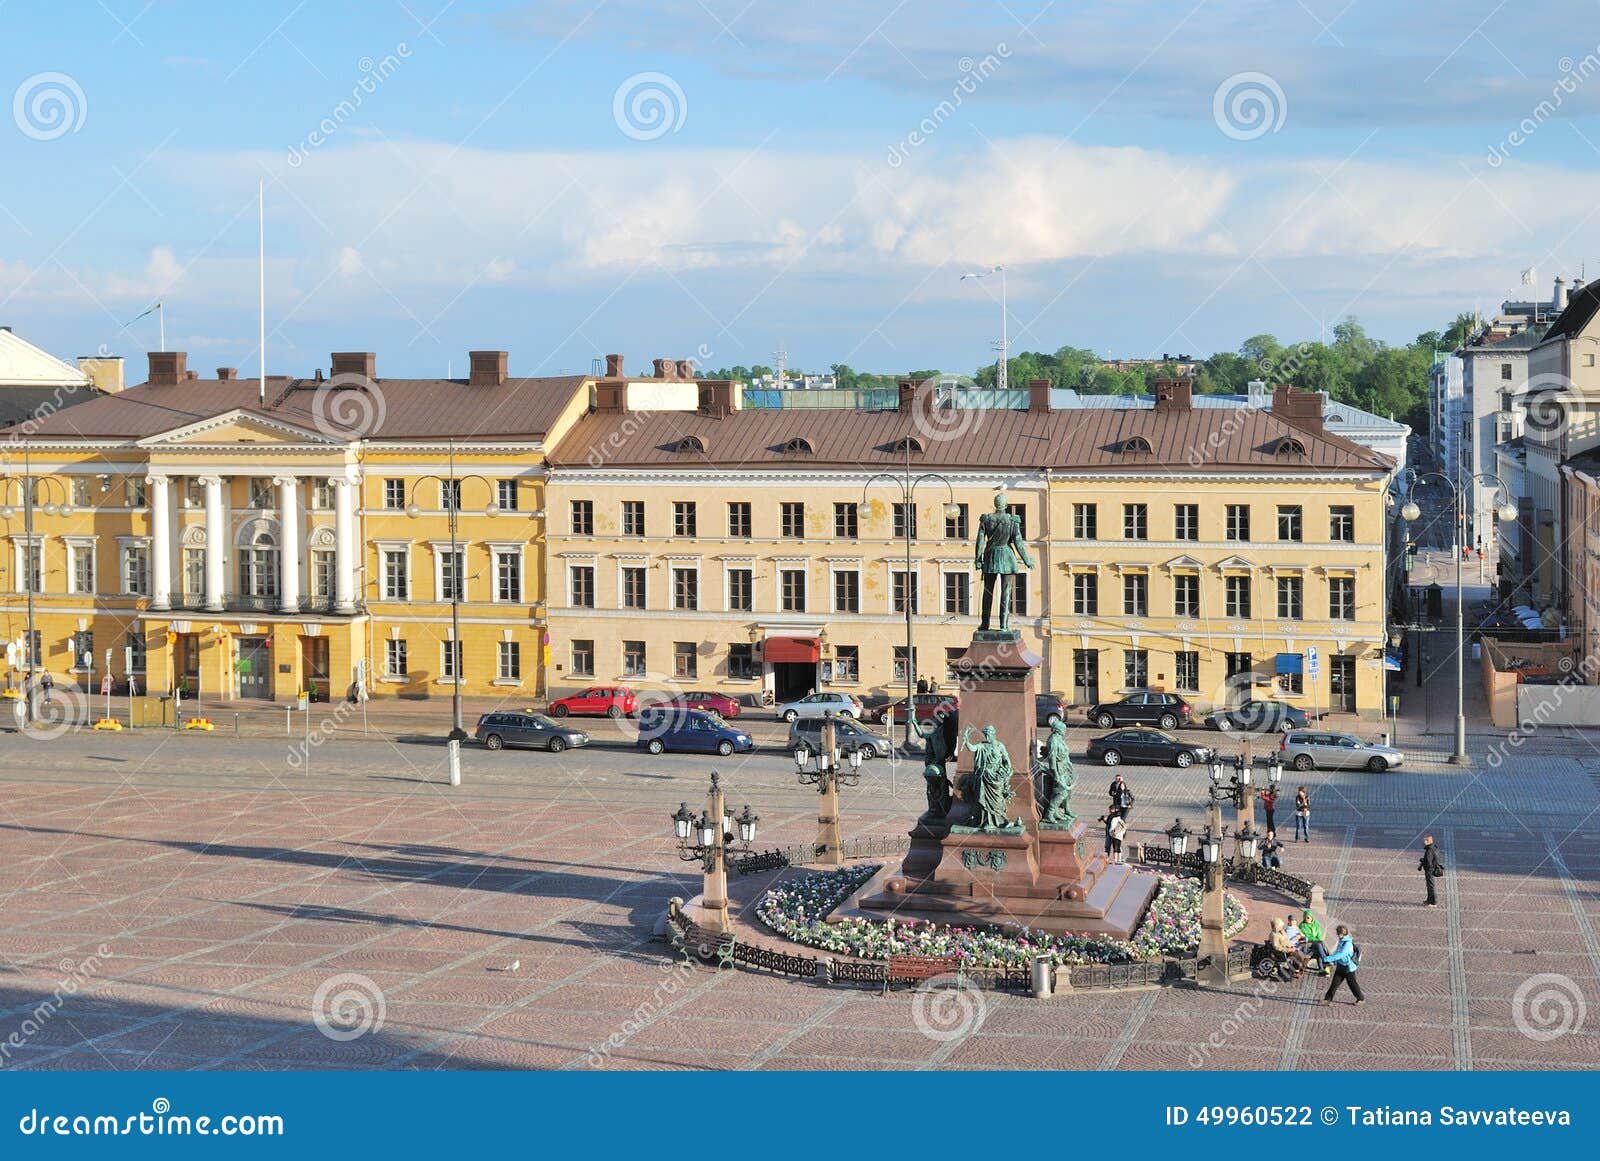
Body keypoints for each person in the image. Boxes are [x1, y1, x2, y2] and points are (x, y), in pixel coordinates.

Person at [1320, 924, 1363, 1004]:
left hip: (1348, 968)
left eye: (1338, 933)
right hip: (1341, 966)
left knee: (1352, 984)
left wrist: (1327, 959)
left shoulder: (1348, 944)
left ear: (1341, 934)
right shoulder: (1341, 941)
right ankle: (1327, 999)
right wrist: (1333, 960)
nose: (1337, 935)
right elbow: (1337, 952)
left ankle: (1360, 998)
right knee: (1334, 983)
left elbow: (1341, 954)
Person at [1419, 834, 1444, 907]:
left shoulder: (1429, 850)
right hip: (1432, 869)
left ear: (1427, 841)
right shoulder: (1433, 847)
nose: (1423, 842)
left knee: (1431, 886)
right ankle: (1429, 900)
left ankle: (1433, 902)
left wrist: (1424, 863)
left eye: (1424, 841)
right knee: (1429, 886)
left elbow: (1429, 862)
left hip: (1430, 871)